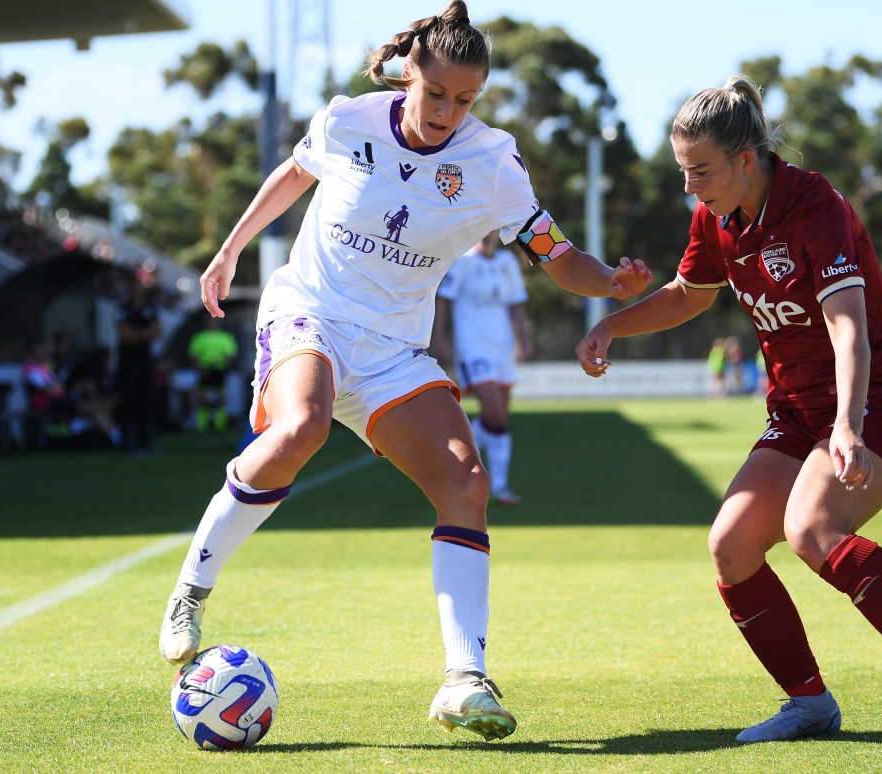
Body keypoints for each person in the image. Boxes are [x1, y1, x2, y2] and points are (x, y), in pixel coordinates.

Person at [157, 0, 651, 743]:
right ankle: (192, 588)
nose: (449, 111)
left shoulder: (493, 162)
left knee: (467, 483)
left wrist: (608, 280)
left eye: (466, 99)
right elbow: (292, 177)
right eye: (437, 93)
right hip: (311, 312)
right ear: (406, 74)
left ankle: (464, 680)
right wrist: (230, 249)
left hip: (394, 350)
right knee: (302, 424)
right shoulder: (349, 119)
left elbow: (557, 254)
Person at [575, 75, 882, 743]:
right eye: (684, 172)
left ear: (748, 160)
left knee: (814, 529)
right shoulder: (715, 216)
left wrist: (849, 427)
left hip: (877, 408)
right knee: (731, 547)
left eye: (701, 171)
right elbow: (689, 294)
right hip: (797, 416)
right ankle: (809, 704)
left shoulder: (816, 209)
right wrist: (611, 327)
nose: (691, 187)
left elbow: (848, 332)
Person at [433, 231, 533, 505]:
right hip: (473, 347)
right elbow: (443, 300)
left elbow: (516, 306)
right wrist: (440, 338)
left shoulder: (507, 262)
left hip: (502, 348)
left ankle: (493, 484)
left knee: (498, 419)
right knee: (495, 413)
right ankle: (472, 473)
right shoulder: (463, 262)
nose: (488, 234)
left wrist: (524, 338)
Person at [115, 274, 162, 455]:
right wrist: (145, 334)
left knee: (146, 400)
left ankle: (144, 442)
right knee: (129, 401)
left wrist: (137, 334)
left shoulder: (149, 309)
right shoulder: (122, 309)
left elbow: (158, 331)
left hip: (145, 361)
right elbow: (125, 336)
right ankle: (127, 443)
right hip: (128, 362)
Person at [188, 316, 239, 432]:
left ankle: (220, 425)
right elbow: (193, 355)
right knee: (203, 397)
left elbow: (232, 354)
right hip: (204, 369)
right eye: (210, 322)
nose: (213, 325)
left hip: (220, 370)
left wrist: (226, 361)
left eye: (214, 322)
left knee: (221, 396)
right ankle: (203, 425)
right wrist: (200, 368)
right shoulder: (200, 337)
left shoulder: (225, 337)